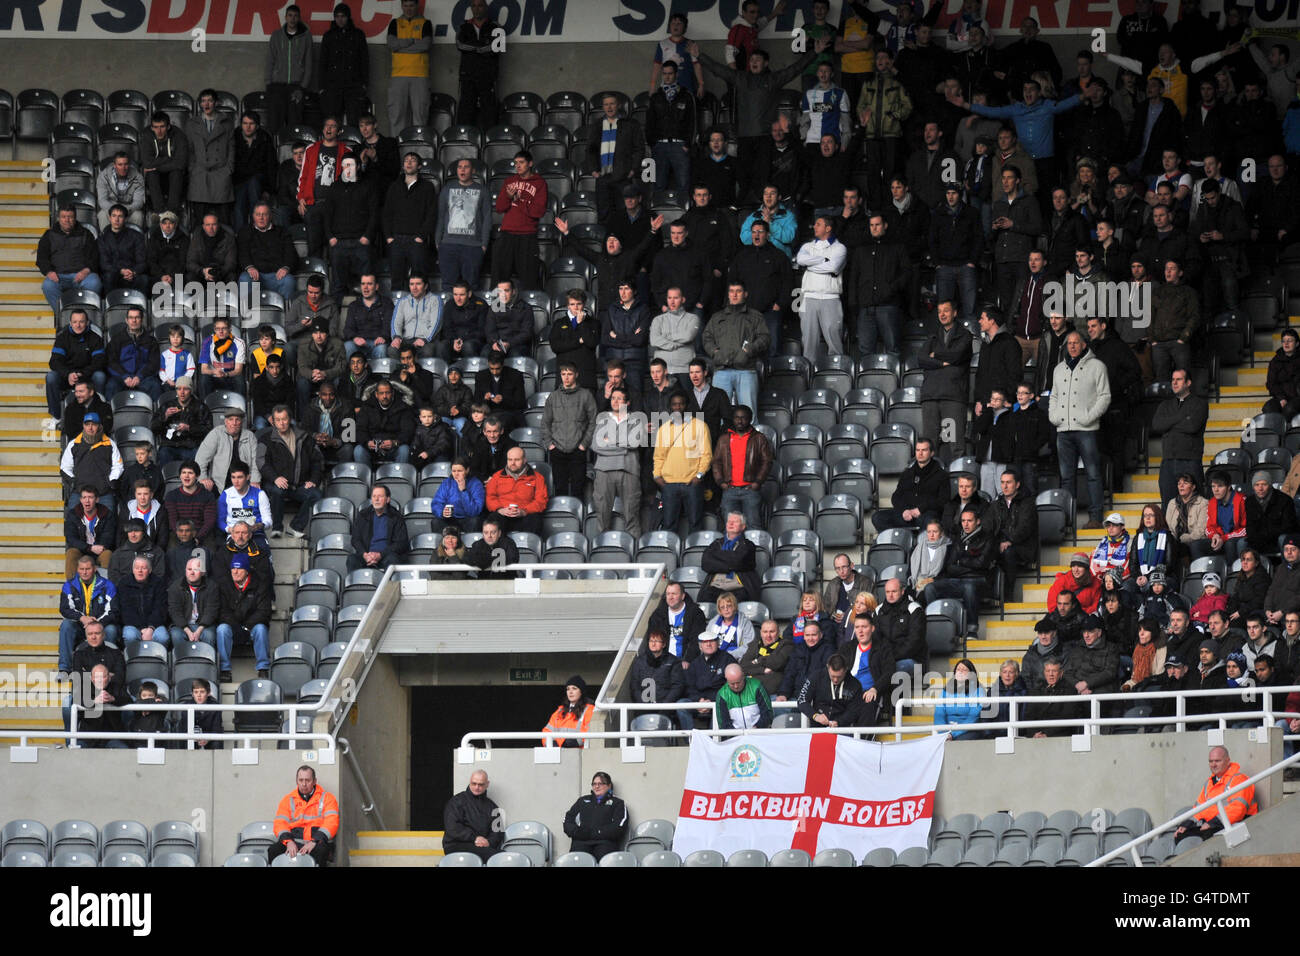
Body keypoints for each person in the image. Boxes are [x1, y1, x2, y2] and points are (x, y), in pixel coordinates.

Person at [1050, 331, 1110, 529]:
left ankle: (1095, 517)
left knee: (1093, 473)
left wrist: (1088, 417)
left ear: (1084, 345)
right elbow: (1054, 396)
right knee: (1066, 477)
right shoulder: (1059, 369)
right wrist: (1054, 417)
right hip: (1063, 430)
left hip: (1087, 430)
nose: (1072, 346)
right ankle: (1067, 520)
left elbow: (1104, 396)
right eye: (1069, 343)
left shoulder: (1097, 366)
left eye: (1076, 342)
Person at [919, 300, 973, 464]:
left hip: (953, 396)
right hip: (930, 395)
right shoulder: (933, 334)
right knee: (930, 446)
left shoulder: (965, 335)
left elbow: (957, 355)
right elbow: (921, 359)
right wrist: (941, 362)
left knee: (956, 445)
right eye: (939, 311)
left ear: (955, 313)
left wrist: (935, 356)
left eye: (946, 311)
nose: (942, 314)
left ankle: (959, 482)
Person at [652, 390, 712, 531]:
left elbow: (707, 455)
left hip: (692, 483)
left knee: (695, 523)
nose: (678, 407)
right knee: (668, 524)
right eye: (674, 404)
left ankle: (694, 553)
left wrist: (699, 476)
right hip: (669, 484)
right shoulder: (663, 429)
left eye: (681, 404)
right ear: (670, 407)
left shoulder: (700, 426)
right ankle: (669, 553)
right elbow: (659, 456)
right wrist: (657, 475)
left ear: (687, 405)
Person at [1172, 746, 1257, 840]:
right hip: (1211, 826)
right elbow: (1198, 809)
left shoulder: (1240, 780)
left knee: (1195, 839)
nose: (1213, 765)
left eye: (1217, 761)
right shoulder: (1209, 783)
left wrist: (1212, 823)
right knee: (1180, 835)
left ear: (1228, 761)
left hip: (1233, 826)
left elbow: (1238, 809)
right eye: (1211, 761)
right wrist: (1187, 824)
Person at [591, 388, 642, 538]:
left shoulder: (636, 419)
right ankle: (601, 553)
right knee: (602, 514)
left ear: (627, 402)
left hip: (629, 470)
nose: (615, 401)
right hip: (603, 471)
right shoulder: (602, 419)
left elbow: (633, 443)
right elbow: (596, 445)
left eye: (620, 398)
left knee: (631, 514)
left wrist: (608, 441)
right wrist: (622, 445)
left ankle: (634, 556)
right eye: (613, 398)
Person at [711, 404, 772, 531]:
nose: (740, 421)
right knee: (730, 528)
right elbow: (716, 461)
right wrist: (720, 481)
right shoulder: (724, 439)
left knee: (753, 526)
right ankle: (731, 551)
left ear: (750, 419)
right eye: (737, 417)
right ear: (732, 419)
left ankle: (754, 551)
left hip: (750, 490)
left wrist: (757, 482)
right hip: (729, 490)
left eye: (743, 418)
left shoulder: (759, 438)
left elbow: (767, 462)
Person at [541, 362, 597, 500]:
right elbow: (545, 423)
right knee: (560, 488)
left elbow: (594, 421)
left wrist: (584, 444)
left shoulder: (586, 395)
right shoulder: (553, 397)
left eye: (569, 374)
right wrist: (550, 445)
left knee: (579, 489)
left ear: (576, 375)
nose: (566, 377)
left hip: (578, 450)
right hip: (557, 450)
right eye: (563, 374)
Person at [492, 151, 548, 288]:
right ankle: (497, 308)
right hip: (507, 234)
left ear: (530, 163)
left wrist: (520, 201)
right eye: (516, 163)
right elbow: (499, 207)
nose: (518, 166)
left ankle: (528, 308)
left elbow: (538, 211)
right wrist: (508, 197)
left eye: (521, 162)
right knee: (500, 277)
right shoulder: (509, 181)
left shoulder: (539, 183)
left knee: (529, 278)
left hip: (527, 236)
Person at [38, 206, 102, 320]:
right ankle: (65, 317)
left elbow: (94, 256)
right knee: (47, 286)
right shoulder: (49, 235)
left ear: (75, 218)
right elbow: (41, 258)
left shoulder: (85, 234)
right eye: (63, 217)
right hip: (59, 276)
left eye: (70, 217)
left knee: (95, 282)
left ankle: (84, 318)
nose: (67, 220)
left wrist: (86, 270)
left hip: (82, 275)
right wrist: (49, 271)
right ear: (58, 218)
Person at [215, 553, 271, 683]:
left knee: (261, 629)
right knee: (222, 629)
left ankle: (263, 668)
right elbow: (222, 611)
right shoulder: (224, 584)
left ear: (246, 571)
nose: (235, 571)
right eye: (233, 568)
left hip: (251, 626)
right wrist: (236, 626)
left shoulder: (260, 584)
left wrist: (246, 627)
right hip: (233, 626)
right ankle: (225, 670)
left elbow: (264, 611)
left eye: (239, 568)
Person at [873, 437, 948, 532]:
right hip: (906, 514)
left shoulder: (941, 475)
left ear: (932, 453)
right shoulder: (907, 473)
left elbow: (943, 501)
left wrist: (920, 509)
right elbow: (896, 497)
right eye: (918, 450)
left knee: (930, 522)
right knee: (878, 517)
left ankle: (921, 546)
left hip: (925, 514)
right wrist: (904, 510)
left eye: (924, 450)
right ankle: (896, 543)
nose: (920, 453)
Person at [45, 307, 107, 423]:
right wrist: (68, 374)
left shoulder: (95, 338)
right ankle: (56, 416)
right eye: (75, 322)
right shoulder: (62, 338)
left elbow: (100, 361)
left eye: (81, 322)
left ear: (87, 323)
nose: (78, 325)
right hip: (67, 377)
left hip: (87, 376)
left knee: (100, 376)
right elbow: (54, 361)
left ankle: (97, 412)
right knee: (51, 377)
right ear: (70, 323)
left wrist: (83, 374)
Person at [269, 766, 339, 866]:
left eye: (308, 780)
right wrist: (288, 842)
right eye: (301, 780)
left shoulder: (328, 798)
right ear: (297, 781)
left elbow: (331, 822)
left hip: (317, 843)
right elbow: (280, 823)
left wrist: (314, 841)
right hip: (294, 842)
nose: (304, 784)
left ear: (314, 781)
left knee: (321, 851)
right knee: (273, 850)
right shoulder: (288, 800)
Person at [185, 90, 235, 226]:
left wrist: (228, 169)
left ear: (216, 103)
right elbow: (189, 149)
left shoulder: (226, 123)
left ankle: (225, 247)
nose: (206, 104)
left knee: (223, 221)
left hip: (221, 174)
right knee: (199, 222)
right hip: (200, 174)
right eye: (203, 101)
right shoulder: (192, 123)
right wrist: (193, 168)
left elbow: (231, 148)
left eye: (210, 101)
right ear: (200, 104)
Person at [60, 413, 123, 512]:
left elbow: (118, 466)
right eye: (87, 424)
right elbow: (65, 467)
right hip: (80, 493)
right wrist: (74, 482)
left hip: (103, 493)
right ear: (83, 426)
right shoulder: (74, 444)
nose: (90, 428)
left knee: (110, 522)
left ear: (99, 426)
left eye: (93, 424)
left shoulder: (110, 444)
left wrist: (109, 482)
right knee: (71, 521)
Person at [562, 772, 628, 860]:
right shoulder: (582, 801)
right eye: (594, 784)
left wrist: (597, 832)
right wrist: (578, 832)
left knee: (607, 860)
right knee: (576, 860)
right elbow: (567, 821)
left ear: (609, 786)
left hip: (605, 843)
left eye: (600, 783)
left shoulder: (617, 803)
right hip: (582, 842)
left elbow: (620, 826)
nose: (596, 786)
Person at [698, 511, 760, 605]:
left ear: (743, 526)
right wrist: (730, 563)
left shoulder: (748, 545)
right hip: (715, 587)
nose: (730, 524)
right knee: (703, 602)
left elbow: (738, 562)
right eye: (729, 521)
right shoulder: (716, 543)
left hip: (738, 589)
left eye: (735, 521)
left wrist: (718, 559)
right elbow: (706, 563)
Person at [442, 769, 503, 863]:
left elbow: (498, 832)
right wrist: (474, 838)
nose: (476, 787)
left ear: (487, 784)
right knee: (499, 857)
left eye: (481, 784)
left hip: (483, 847)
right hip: (456, 845)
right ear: (469, 782)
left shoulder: (492, 807)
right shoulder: (456, 801)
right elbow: (452, 827)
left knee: (504, 856)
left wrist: (489, 842)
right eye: (473, 783)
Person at [485, 447, 548, 536]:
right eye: (510, 460)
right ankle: (498, 550)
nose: (513, 463)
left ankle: (527, 548)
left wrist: (524, 511)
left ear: (524, 460)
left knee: (535, 519)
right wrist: (500, 509)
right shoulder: (497, 476)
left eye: (517, 460)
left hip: (525, 515)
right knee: (493, 519)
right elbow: (490, 497)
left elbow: (541, 501)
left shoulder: (537, 477)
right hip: (503, 514)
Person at [195, 408, 260, 492]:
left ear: (242, 422)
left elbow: (256, 461)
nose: (234, 423)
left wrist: (255, 480)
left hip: (243, 483)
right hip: (219, 483)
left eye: (237, 420)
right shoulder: (216, 433)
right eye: (231, 419)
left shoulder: (250, 436)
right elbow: (201, 458)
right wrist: (203, 478)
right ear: (225, 421)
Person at [349, 484, 410, 573]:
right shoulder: (363, 515)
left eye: (380, 496)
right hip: (367, 557)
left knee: (392, 560)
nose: (376, 499)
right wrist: (365, 555)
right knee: (352, 559)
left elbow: (401, 543)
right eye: (374, 496)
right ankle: (356, 586)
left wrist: (380, 555)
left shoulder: (396, 516)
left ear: (388, 499)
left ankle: (389, 587)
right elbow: (355, 539)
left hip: (386, 556)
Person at [143, 114, 190, 218]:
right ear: (151, 127)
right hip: (155, 179)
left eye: (162, 127)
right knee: (151, 173)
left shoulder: (178, 135)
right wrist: (170, 159)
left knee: (176, 172)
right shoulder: (146, 135)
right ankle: (160, 212)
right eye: (155, 127)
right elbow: (147, 162)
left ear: (168, 126)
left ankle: (171, 213)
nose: (159, 131)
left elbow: (181, 163)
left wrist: (158, 166)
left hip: (176, 180)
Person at [65, 486, 115, 580]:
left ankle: (106, 588)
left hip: (100, 550)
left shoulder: (107, 514)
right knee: (71, 552)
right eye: (84, 497)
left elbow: (109, 537)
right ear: (80, 500)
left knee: (107, 554)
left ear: (97, 499)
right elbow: (71, 538)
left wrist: (100, 547)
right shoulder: (73, 514)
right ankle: (72, 588)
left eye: (90, 497)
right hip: (82, 550)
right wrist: (89, 548)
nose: (87, 501)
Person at [98, 204, 149, 294]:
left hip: (132, 274)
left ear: (125, 219)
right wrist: (120, 271)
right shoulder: (103, 238)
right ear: (109, 218)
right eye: (114, 216)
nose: (116, 219)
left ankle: (138, 307)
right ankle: (111, 306)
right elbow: (104, 263)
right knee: (108, 277)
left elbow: (142, 261)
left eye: (120, 216)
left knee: (144, 279)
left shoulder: (136, 236)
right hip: (113, 274)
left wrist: (133, 272)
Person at [934, 659, 985, 739]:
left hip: (967, 730)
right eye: (958, 669)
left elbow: (973, 716)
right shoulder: (947, 688)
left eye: (964, 670)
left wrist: (953, 734)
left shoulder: (978, 689)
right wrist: (943, 733)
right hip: (947, 730)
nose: (960, 672)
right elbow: (939, 713)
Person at [715, 662, 774, 730]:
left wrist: (756, 728)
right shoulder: (722, 694)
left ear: (743, 676)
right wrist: (736, 736)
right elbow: (723, 724)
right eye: (732, 684)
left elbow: (768, 714)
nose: (736, 686)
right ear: (726, 680)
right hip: (735, 738)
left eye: (738, 682)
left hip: (759, 734)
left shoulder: (757, 686)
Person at [543, 676, 596, 748]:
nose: (570, 692)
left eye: (574, 688)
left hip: (579, 754)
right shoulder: (559, 711)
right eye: (568, 689)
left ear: (581, 692)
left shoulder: (589, 710)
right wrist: (551, 743)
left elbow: (590, 730)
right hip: (558, 752)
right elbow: (547, 731)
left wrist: (576, 741)